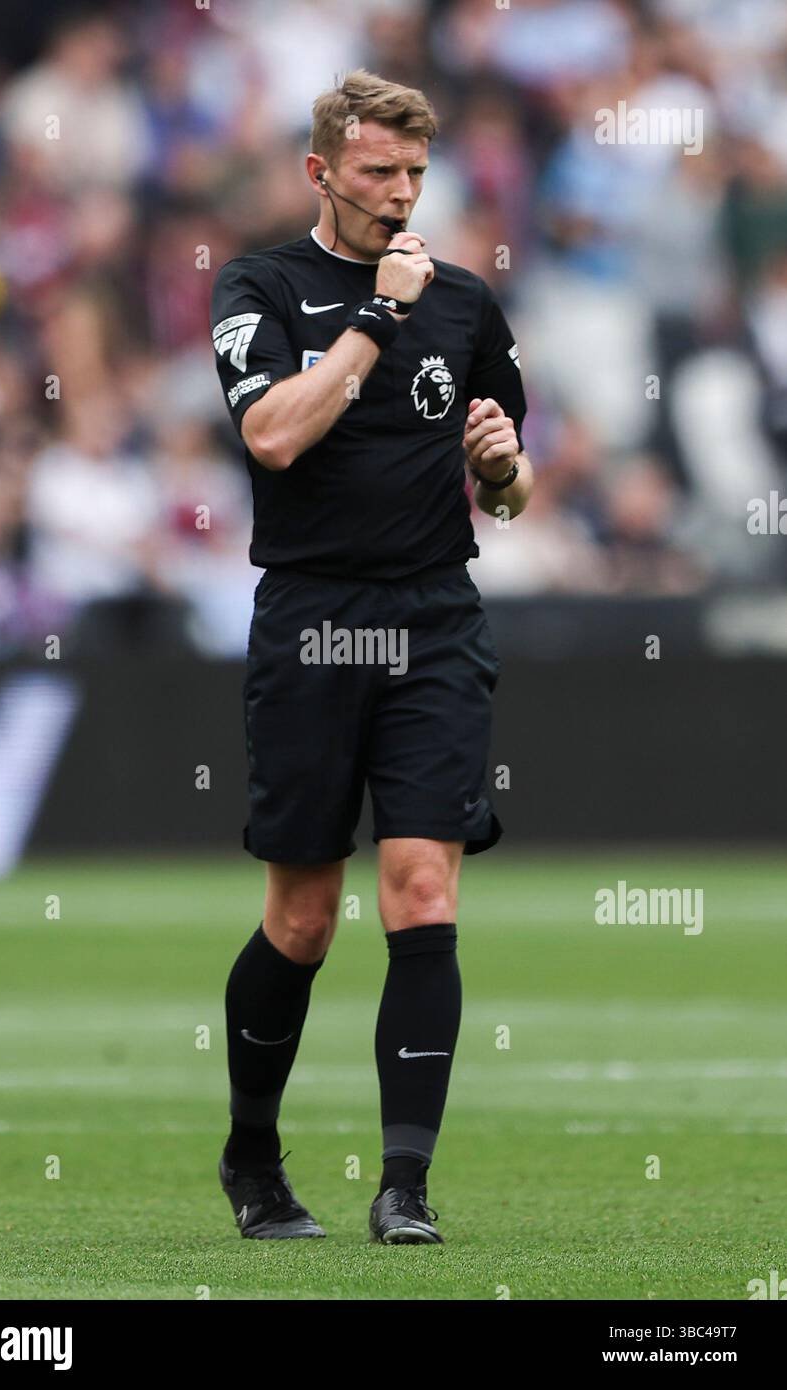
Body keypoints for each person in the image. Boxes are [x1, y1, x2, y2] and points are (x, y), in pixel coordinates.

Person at [211, 69, 533, 1244]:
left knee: (420, 890)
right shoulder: (260, 285)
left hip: (432, 618)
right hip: (310, 619)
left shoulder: (463, 301)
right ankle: (252, 1154)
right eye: (374, 175)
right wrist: (373, 322)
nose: (399, 198)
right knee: (302, 919)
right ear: (319, 174)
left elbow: (511, 490)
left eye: (412, 175)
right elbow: (271, 437)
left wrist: (499, 469)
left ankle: (403, 1186)